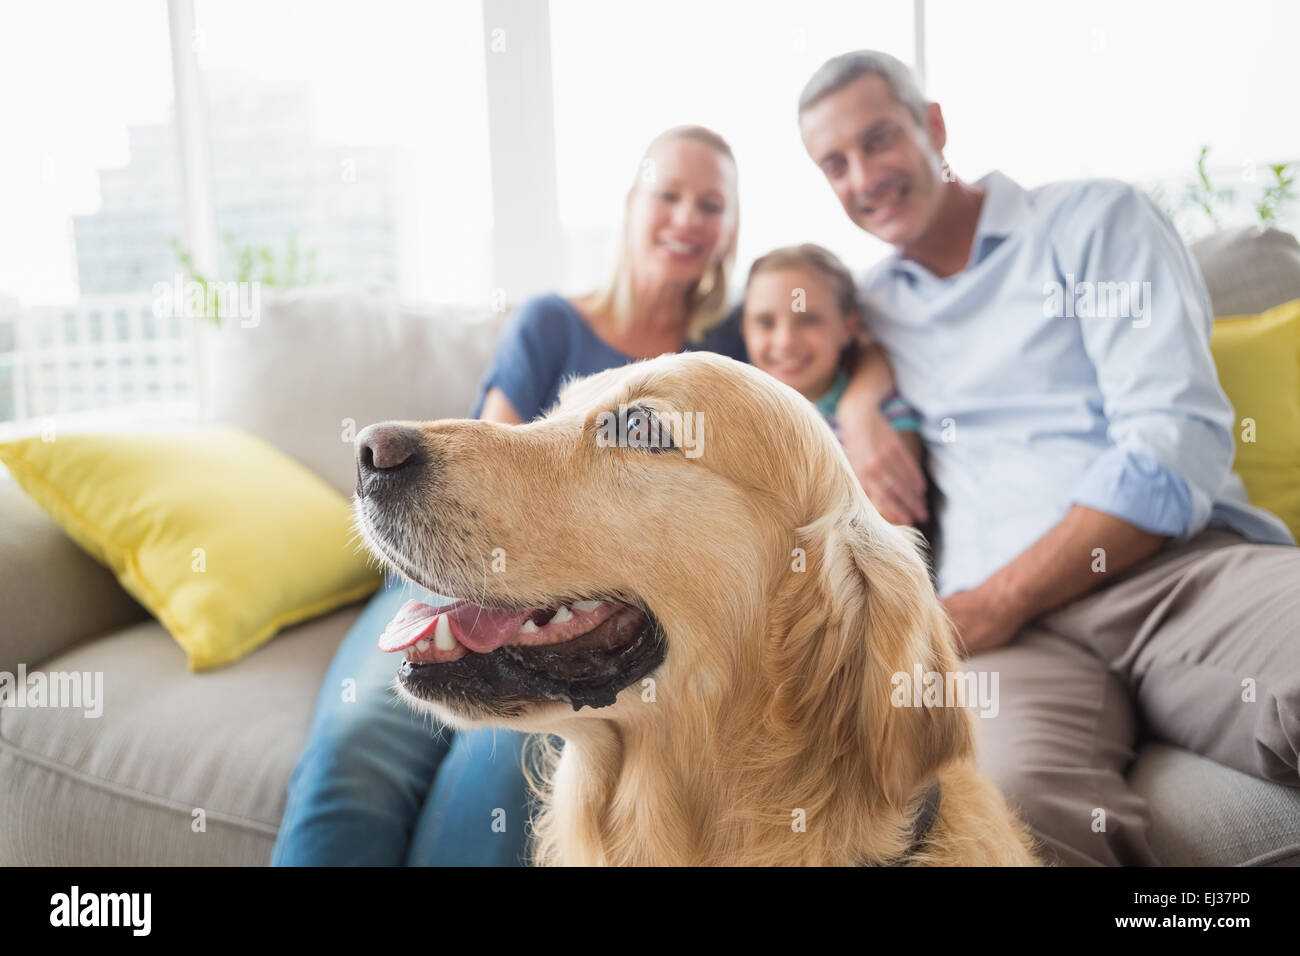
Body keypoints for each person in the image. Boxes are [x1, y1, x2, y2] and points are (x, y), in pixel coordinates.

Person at [273, 124, 916, 865]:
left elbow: (836, 355)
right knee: (358, 746)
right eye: (668, 195)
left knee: (492, 773)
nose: (686, 218)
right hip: (459, 566)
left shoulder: (738, 350)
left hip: (589, 613)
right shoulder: (552, 320)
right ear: (631, 204)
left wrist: (863, 401)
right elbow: (495, 460)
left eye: (710, 205)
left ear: (730, 228)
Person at [794, 49, 1300, 865]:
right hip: (1020, 646)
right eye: (835, 163)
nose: (864, 177)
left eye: (879, 139)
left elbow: (1174, 440)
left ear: (933, 126)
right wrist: (863, 400)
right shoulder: (869, 307)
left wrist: (996, 600)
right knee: (1010, 814)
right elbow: (794, 368)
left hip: (1169, 572)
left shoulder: (1095, 221)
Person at [739, 242, 921, 453]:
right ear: (744, 329)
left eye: (808, 320)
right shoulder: (730, 416)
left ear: (848, 327)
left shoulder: (883, 414)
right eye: (765, 322)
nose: (785, 341)